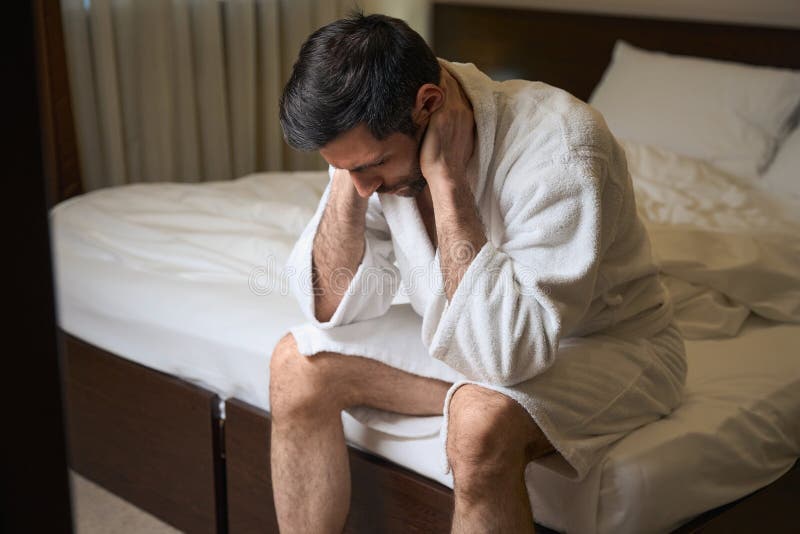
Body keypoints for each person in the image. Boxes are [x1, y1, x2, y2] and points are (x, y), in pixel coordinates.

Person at [270, 12, 686, 534]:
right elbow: (330, 304)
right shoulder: (375, 144)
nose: (363, 186)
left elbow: (505, 359)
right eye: (345, 167)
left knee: (478, 422)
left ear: (428, 103)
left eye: (369, 165)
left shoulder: (562, 143)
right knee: (296, 364)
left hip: (608, 347)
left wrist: (447, 184)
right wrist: (346, 173)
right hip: (478, 335)